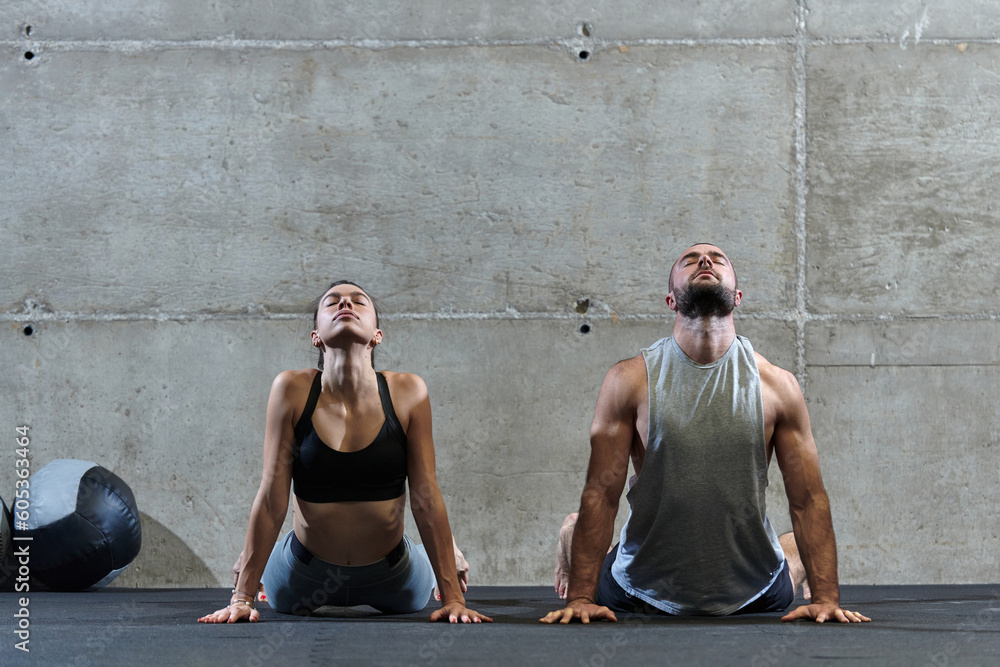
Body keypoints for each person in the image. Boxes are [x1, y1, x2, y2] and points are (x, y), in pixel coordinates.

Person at [541, 244, 870, 624]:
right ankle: (572, 530)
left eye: (718, 258)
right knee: (584, 526)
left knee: (791, 554)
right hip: (637, 590)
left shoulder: (778, 387)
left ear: (738, 296)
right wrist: (581, 596)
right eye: (689, 259)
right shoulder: (630, 380)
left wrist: (827, 597)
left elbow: (808, 499)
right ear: (670, 300)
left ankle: (791, 555)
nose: (705, 260)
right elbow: (602, 493)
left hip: (756, 591)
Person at [199, 281, 491, 624]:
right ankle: (252, 561)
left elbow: (426, 496)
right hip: (301, 578)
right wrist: (242, 597)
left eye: (358, 301)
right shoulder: (291, 389)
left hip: (395, 578)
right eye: (333, 302)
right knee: (258, 557)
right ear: (316, 336)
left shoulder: (408, 391)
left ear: (377, 335)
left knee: (429, 549)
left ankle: (448, 548)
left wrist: (454, 599)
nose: (345, 304)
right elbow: (272, 498)